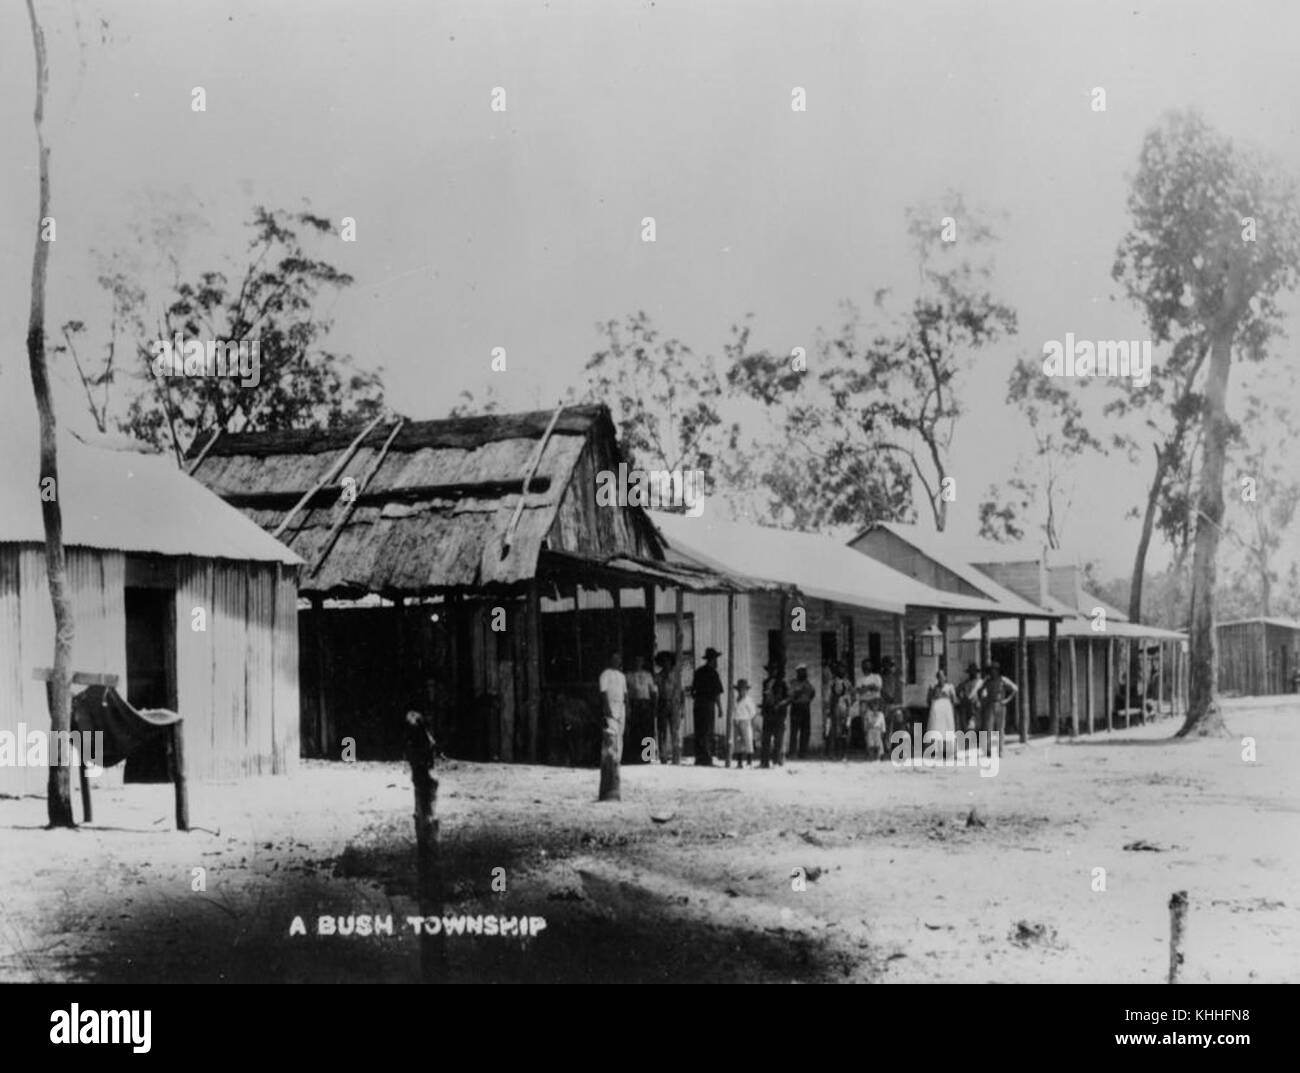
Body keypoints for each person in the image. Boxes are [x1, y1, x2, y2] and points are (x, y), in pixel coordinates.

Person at [597, 652, 627, 801]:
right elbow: (603, 693)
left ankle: (618, 760)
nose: (617, 661)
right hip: (611, 706)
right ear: (610, 660)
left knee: (620, 734)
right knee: (612, 733)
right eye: (615, 659)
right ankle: (612, 760)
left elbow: (625, 694)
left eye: (619, 659)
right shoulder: (605, 674)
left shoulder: (622, 676)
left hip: (621, 706)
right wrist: (607, 707)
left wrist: (627, 707)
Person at [976, 660, 1018, 758]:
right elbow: (979, 691)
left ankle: (1000, 750)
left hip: (1000, 704)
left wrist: (1007, 700)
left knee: (1000, 728)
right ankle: (989, 750)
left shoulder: (1003, 680)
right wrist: (983, 700)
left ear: (998, 670)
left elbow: (1015, 689)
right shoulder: (987, 681)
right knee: (989, 728)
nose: (993, 672)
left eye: (995, 670)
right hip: (990, 704)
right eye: (991, 670)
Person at [690, 647, 725, 766]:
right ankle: (706, 757)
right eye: (716, 660)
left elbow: (693, 691)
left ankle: (699, 757)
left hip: (698, 704)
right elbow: (717, 693)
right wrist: (720, 708)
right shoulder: (713, 673)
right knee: (708, 730)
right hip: (708, 704)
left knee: (699, 730)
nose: (717, 662)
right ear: (713, 660)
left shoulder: (698, 671)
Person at [624, 654, 658, 763]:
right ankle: (634, 756)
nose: (638, 663)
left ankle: (647, 756)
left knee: (647, 729)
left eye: (640, 661)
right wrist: (628, 706)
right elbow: (626, 693)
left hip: (646, 703)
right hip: (634, 703)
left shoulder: (648, 675)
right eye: (636, 661)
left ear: (643, 662)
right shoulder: (628, 675)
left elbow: (653, 691)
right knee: (635, 730)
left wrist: (654, 706)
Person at [654, 651, 684, 764]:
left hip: (674, 704)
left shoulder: (676, 676)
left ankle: (676, 755)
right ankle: (663, 756)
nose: (666, 664)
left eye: (668, 661)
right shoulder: (657, 677)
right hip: (662, 703)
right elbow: (655, 693)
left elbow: (682, 693)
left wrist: (682, 708)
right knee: (662, 731)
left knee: (675, 730)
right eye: (664, 662)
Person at [759, 663, 791, 768]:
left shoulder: (783, 683)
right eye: (769, 670)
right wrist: (763, 707)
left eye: (773, 670)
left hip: (779, 714)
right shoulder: (765, 683)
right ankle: (764, 761)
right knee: (766, 738)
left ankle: (776, 761)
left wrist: (780, 704)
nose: (771, 673)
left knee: (778, 738)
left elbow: (789, 698)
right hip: (768, 713)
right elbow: (764, 697)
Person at [927, 669, 957, 760]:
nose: (941, 678)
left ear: (945, 677)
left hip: (947, 711)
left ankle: (950, 752)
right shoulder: (933, 687)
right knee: (936, 730)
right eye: (939, 676)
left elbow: (954, 700)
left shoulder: (950, 687)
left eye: (942, 676)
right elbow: (928, 700)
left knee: (948, 730)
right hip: (937, 712)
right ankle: (937, 752)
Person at [787, 664, 816, 759]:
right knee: (794, 731)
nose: (804, 673)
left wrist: (808, 699)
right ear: (798, 673)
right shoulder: (793, 683)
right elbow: (791, 694)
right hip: (796, 707)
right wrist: (799, 693)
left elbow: (812, 693)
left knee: (805, 731)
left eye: (804, 671)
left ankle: (803, 752)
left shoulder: (807, 683)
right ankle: (792, 752)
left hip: (805, 707)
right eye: (801, 671)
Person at [827, 662, 852, 760]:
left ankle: (844, 754)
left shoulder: (847, 684)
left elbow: (851, 699)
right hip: (835, 712)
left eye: (843, 668)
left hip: (845, 712)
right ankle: (835, 753)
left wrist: (849, 714)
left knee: (845, 732)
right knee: (835, 733)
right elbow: (830, 698)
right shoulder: (833, 683)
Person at [732, 680, 757, 766]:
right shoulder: (735, 699)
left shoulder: (748, 700)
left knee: (748, 740)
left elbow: (753, 712)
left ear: (746, 690)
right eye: (739, 690)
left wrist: (747, 720)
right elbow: (733, 710)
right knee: (738, 741)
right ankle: (739, 762)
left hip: (745, 720)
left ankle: (749, 761)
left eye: (743, 690)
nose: (741, 691)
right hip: (736, 720)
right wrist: (735, 719)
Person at [957, 662, 983, 733]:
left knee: (977, 723)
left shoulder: (980, 682)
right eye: (971, 672)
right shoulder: (965, 683)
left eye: (974, 672)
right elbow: (958, 691)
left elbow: (984, 694)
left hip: (976, 705)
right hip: (967, 705)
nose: (972, 673)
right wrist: (962, 698)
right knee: (967, 724)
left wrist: (979, 701)